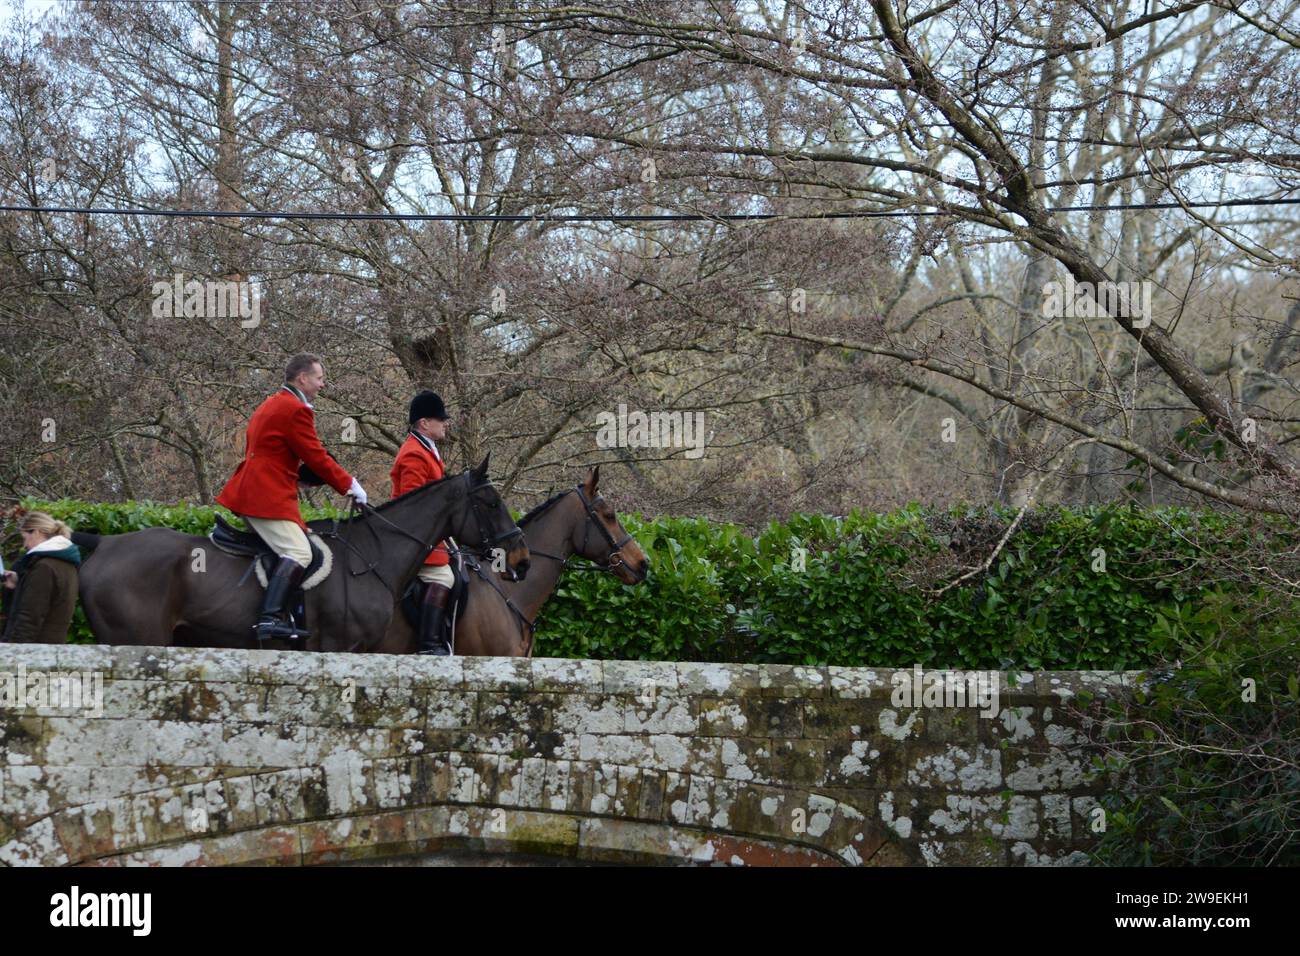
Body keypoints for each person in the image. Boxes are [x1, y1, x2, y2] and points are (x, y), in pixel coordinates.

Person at [215, 353, 367, 644]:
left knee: (297, 542)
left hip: (259, 489)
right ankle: (269, 619)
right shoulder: (296, 410)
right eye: (320, 378)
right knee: (300, 553)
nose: (323, 385)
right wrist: (350, 485)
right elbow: (317, 456)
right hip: (264, 496)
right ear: (303, 378)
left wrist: (298, 479)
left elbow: (273, 455)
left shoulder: (271, 404)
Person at [390, 390, 455, 655]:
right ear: (424, 423)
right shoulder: (414, 455)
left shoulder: (428, 449)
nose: (445, 423)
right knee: (445, 577)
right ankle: (428, 644)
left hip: (430, 534)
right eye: (440, 419)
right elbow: (412, 508)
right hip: (414, 537)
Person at [2, 511, 81, 643]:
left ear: (37, 532)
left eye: (24, 537)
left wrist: (16, 656)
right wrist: (19, 582)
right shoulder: (65, 562)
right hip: (50, 648)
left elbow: (30, 617)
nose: (24, 545)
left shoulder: (43, 567)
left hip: (33, 652)